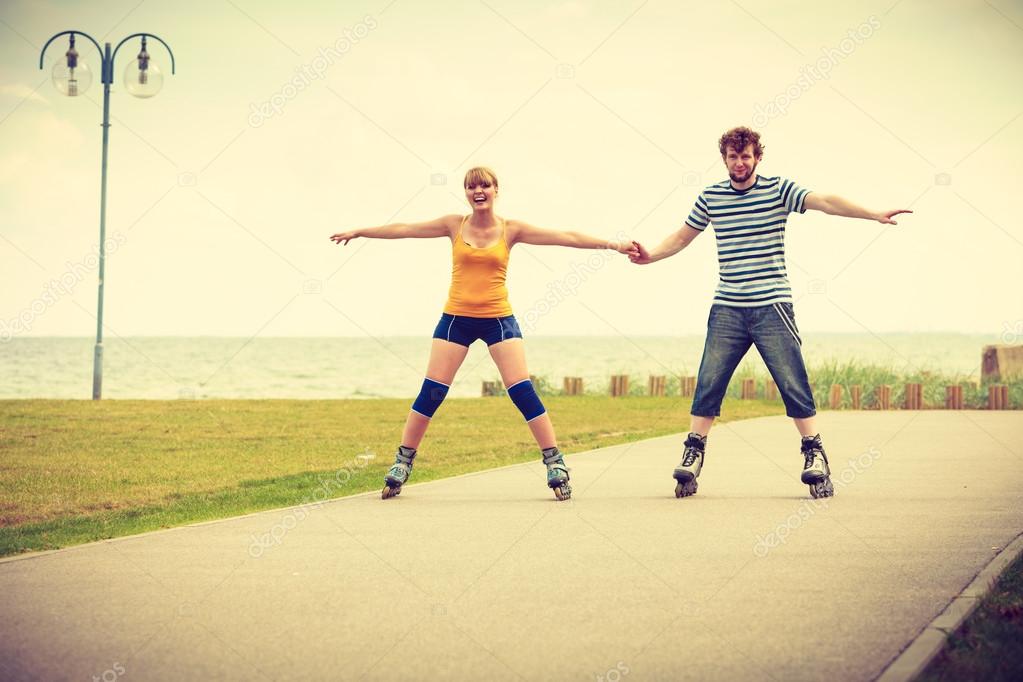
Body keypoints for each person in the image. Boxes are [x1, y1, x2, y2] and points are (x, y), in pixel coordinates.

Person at [630, 127, 911, 499]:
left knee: (791, 380)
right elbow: (682, 237)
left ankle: (815, 455)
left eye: (746, 156)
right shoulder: (712, 197)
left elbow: (825, 201)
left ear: (757, 157)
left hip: (772, 305)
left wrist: (872, 213)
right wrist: (650, 255)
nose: (740, 162)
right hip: (728, 305)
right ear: (724, 159)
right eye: (733, 156)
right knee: (709, 379)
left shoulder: (778, 190)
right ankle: (694, 452)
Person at [330, 166, 637, 500]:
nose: (478, 191)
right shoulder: (453, 224)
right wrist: (360, 231)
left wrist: (615, 244)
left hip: (498, 320)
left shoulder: (512, 229)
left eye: (485, 186)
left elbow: (567, 237)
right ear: (466, 193)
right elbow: (405, 228)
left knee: (521, 390)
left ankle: (555, 461)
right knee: (432, 392)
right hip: (456, 320)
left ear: (495, 190)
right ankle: (403, 462)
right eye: (471, 187)